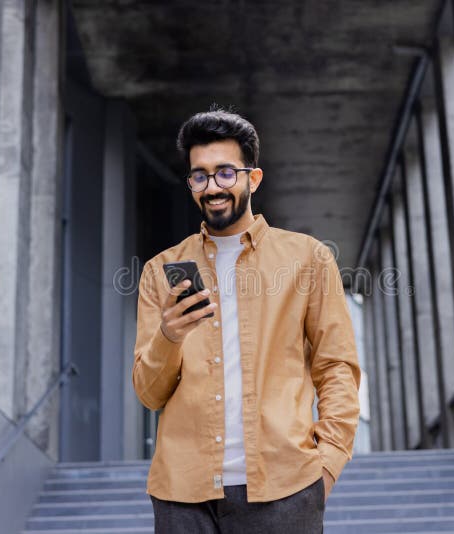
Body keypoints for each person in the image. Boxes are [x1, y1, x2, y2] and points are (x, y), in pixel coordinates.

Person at [132, 107, 361, 533]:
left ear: (252, 178)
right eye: (199, 176)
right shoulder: (159, 271)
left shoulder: (308, 258)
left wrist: (327, 464)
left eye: (225, 173)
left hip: (285, 489)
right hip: (183, 496)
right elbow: (149, 393)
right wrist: (169, 335)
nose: (212, 187)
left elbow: (336, 368)